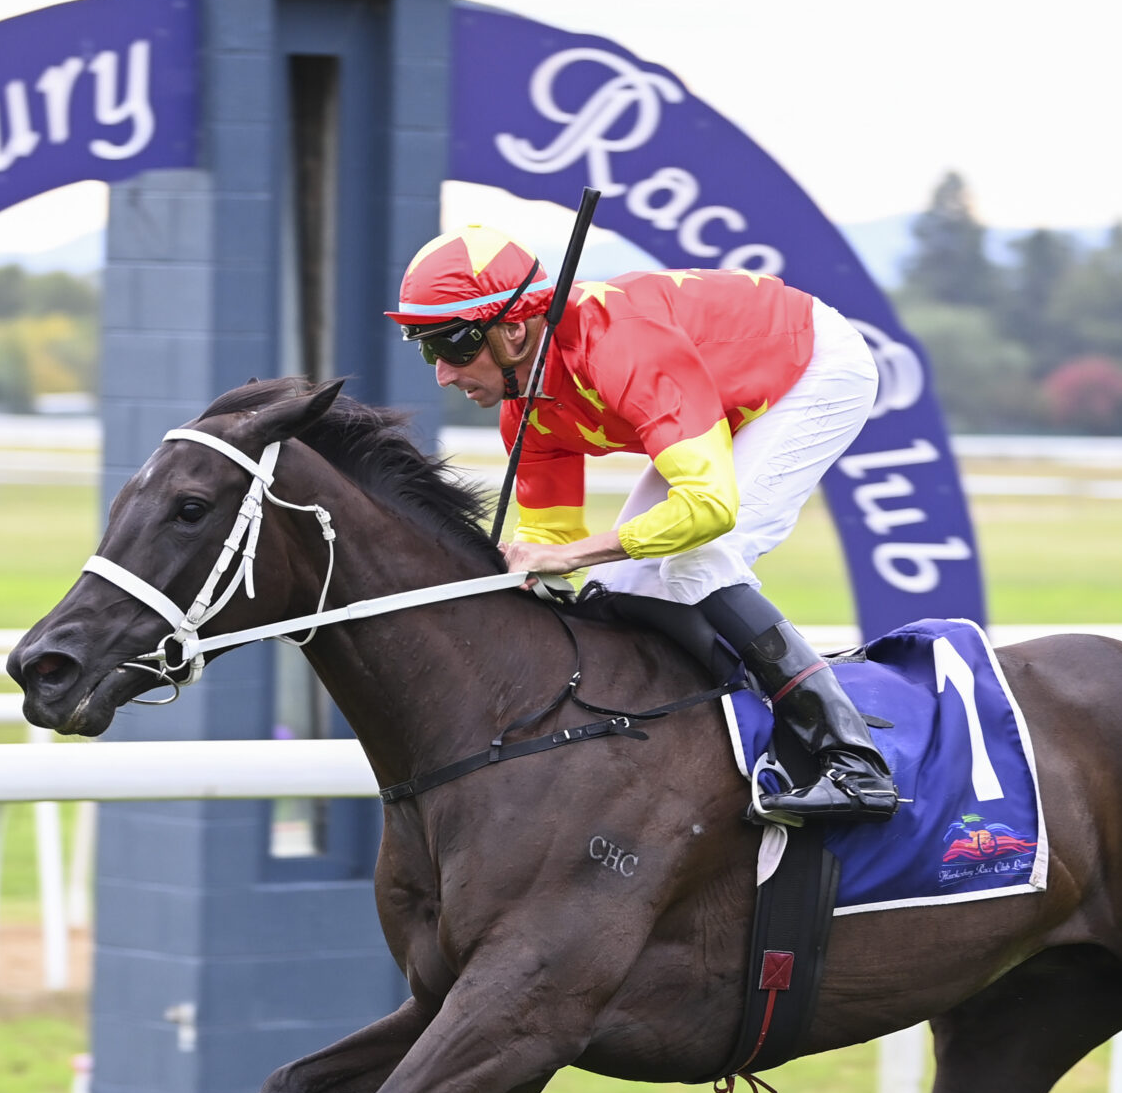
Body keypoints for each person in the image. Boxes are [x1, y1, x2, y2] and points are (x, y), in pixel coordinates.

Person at [385, 224, 899, 823]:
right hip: (724, 387)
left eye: (449, 346)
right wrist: (518, 569)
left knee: (697, 556)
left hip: (811, 367)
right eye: (426, 350)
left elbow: (708, 507)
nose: (442, 374)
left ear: (513, 329)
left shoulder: (618, 350)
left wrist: (575, 557)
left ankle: (852, 759)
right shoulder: (525, 409)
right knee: (626, 586)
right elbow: (549, 543)